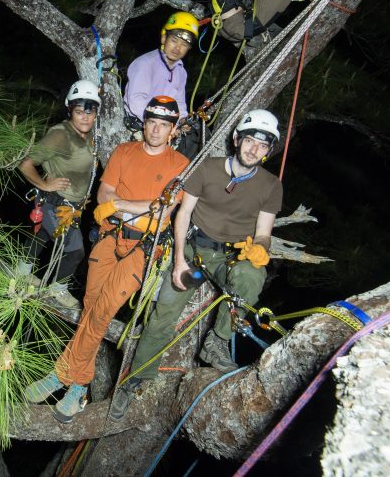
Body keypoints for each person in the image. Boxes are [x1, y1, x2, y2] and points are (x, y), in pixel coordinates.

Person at [22, 96, 190, 423]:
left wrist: (121, 204)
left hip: (143, 247)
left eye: (163, 125)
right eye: (151, 122)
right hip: (109, 238)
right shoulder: (124, 152)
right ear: (144, 123)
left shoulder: (180, 165)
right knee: (90, 306)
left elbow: (162, 210)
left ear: (171, 130)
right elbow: (103, 195)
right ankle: (79, 387)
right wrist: (131, 205)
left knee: (102, 310)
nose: (155, 130)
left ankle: (63, 375)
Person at [109, 108, 283, 420]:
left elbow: (263, 233)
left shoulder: (271, 186)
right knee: (163, 316)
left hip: (231, 255)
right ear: (236, 139)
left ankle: (217, 341)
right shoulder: (207, 169)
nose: (254, 149)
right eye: (250, 141)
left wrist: (259, 249)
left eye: (263, 145)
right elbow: (183, 214)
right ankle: (134, 379)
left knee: (252, 275)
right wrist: (178, 261)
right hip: (194, 250)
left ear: (268, 151)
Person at [17, 79, 101, 309]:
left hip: (72, 206)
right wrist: (44, 184)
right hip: (56, 202)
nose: (84, 116)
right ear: (70, 110)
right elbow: (26, 163)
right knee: (75, 251)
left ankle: (22, 271)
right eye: (78, 111)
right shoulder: (61, 134)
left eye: (90, 111)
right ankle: (58, 289)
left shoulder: (92, 136)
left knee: (42, 233)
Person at [123, 12, 200, 126]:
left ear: (189, 48)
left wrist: (183, 121)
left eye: (184, 44)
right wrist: (160, 124)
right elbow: (136, 102)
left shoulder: (181, 72)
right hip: (139, 123)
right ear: (164, 38)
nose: (177, 48)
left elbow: (179, 103)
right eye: (174, 40)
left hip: (164, 126)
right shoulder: (145, 63)